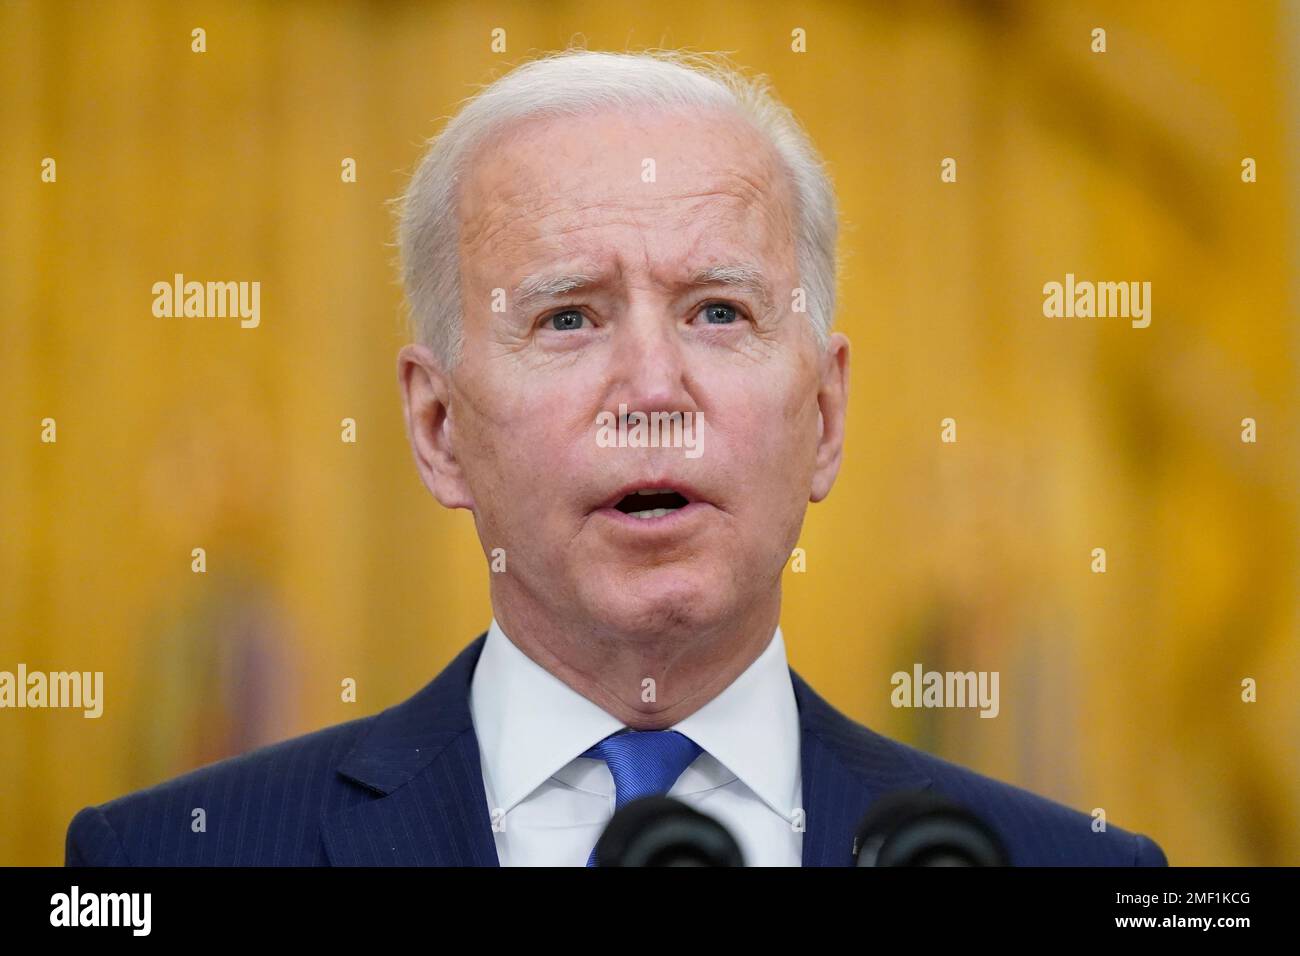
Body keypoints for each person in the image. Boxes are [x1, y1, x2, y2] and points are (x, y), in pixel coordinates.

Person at [66, 49, 1166, 867]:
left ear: (824, 416)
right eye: (568, 319)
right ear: (438, 428)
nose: (651, 390)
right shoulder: (168, 859)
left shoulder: (1076, 871)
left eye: (720, 312)